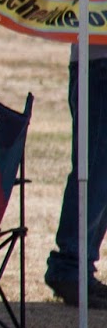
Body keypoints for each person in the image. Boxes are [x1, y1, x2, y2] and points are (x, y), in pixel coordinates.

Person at [44, 46, 107, 308]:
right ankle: (70, 266)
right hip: (98, 62)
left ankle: (79, 265)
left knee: (100, 172)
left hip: (96, 63)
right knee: (94, 170)